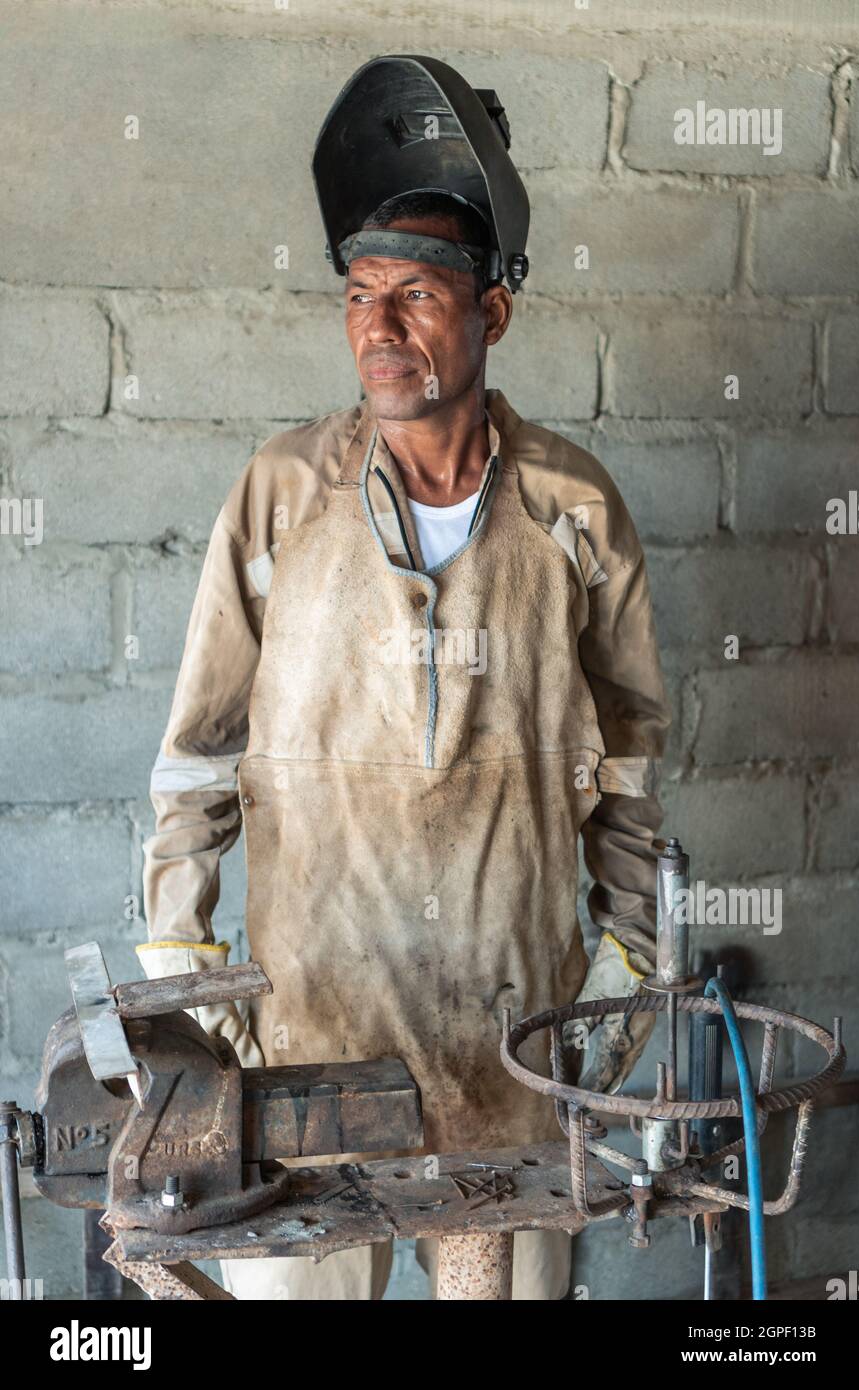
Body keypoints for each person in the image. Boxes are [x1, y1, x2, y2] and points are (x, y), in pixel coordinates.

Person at [137, 55, 670, 1301]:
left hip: (516, 1056)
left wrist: (623, 968)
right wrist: (180, 960)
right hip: (313, 1054)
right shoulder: (281, 497)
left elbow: (635, 767)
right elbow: (197, 755)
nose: (378, 328)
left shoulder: (574, 512)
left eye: (417, 295)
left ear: (492, 313)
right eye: (359, 294)